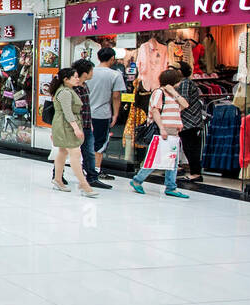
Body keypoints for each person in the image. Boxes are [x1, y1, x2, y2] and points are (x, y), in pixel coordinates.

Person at [130, 67, 190, 199]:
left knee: (172, 161)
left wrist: (173, 92)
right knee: (156, 159)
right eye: (178, 81)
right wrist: (162, 128)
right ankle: (137, 180)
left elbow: (185, 105)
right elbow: (155, 111)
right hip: (162, 131)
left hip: (173, 132)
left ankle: (171, 186)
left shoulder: (172, 94)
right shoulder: (158, 93)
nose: (179, 83)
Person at [49, 67, 98, 198]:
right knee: (75, 153)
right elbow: (68, 112)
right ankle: (83, 184)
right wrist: (76, 128)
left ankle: (58, 179)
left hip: (63, 124)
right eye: (75, 77)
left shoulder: (67, 90)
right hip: (66, 126)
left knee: (63, 151)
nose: (77, 79)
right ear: (66, 79)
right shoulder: (65, 92)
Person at [71, 58, 111, 189]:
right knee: (66, 151)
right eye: (91, 70)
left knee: (89, 152)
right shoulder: (73, 87)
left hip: (87, 124)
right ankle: (58, 175)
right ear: (85, 73)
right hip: (75, 126)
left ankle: (92, 177)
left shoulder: (85, 85)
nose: (93, 73)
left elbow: (86, 106)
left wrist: (90, 123)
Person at [87, 48, 126, 179]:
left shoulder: (89, 72)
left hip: (86, 113)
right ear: (112, 59)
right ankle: (96, 170)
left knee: (86, 141)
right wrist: (115, 114)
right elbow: (116, 96)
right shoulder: (115, 74)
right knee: (100, 143)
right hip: (102, 114)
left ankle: (87, 167)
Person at [176, 61, 206, 185]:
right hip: (191, 120)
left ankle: (195, 173)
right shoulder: (186, 83)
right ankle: (195, 172)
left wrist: (174, 113)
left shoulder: (185, 84)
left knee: (190, 147)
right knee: (191, 147)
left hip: (189, 121)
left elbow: (184, 102)